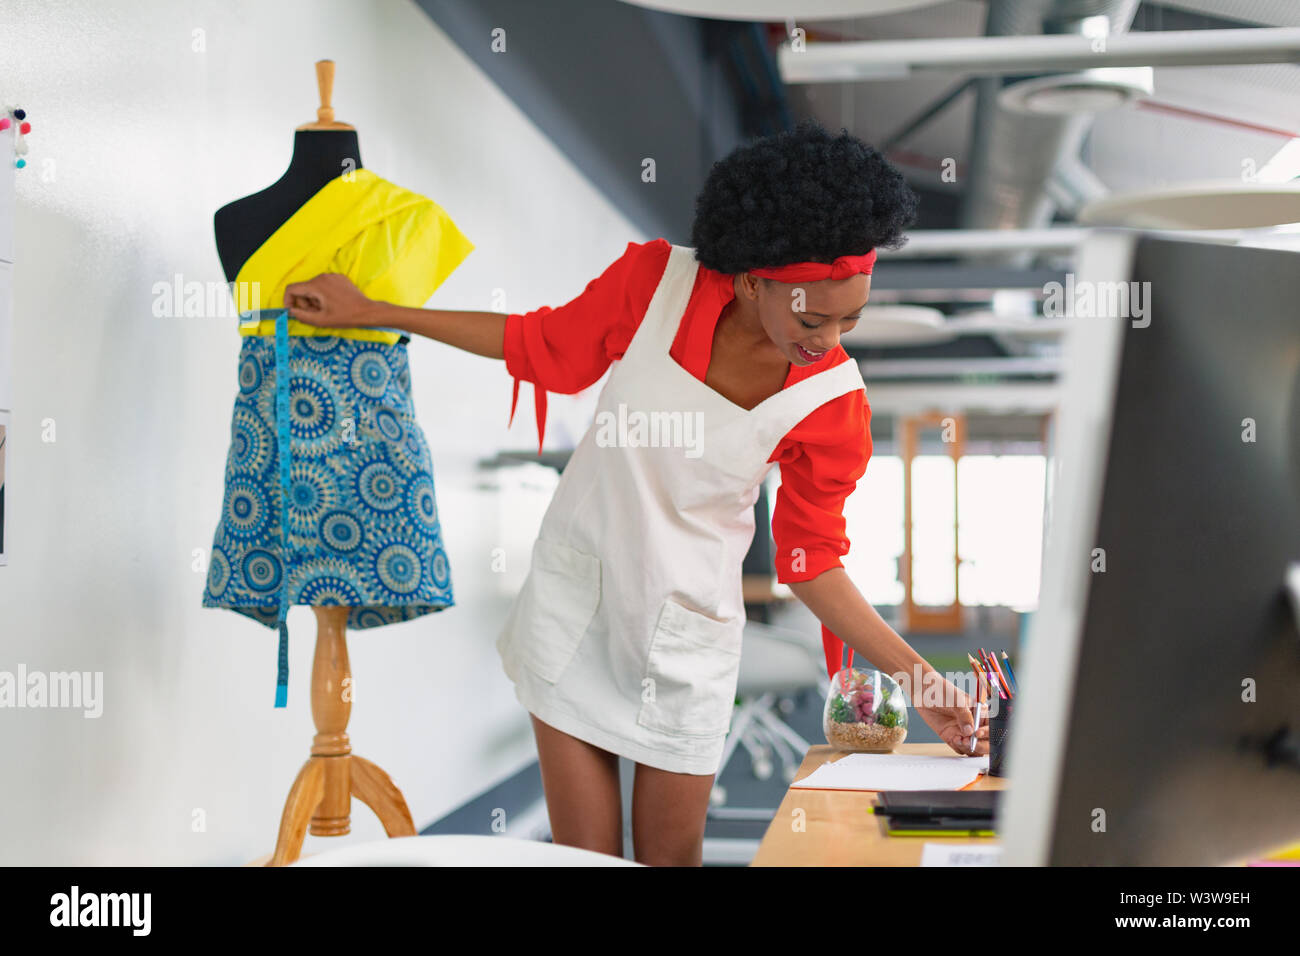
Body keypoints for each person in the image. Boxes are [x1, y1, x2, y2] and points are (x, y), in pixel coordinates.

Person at [284, 120, 989, 866]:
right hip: (575, 604)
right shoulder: (657, 283)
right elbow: (540, 345)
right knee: (582, 859)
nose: (830, 339)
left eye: (852, 317)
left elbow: (811, 559)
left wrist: (920, 679)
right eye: (812, 317)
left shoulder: (835, 404)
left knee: (667, 860)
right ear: (753, 279)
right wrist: (377, 313)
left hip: (687, 642)